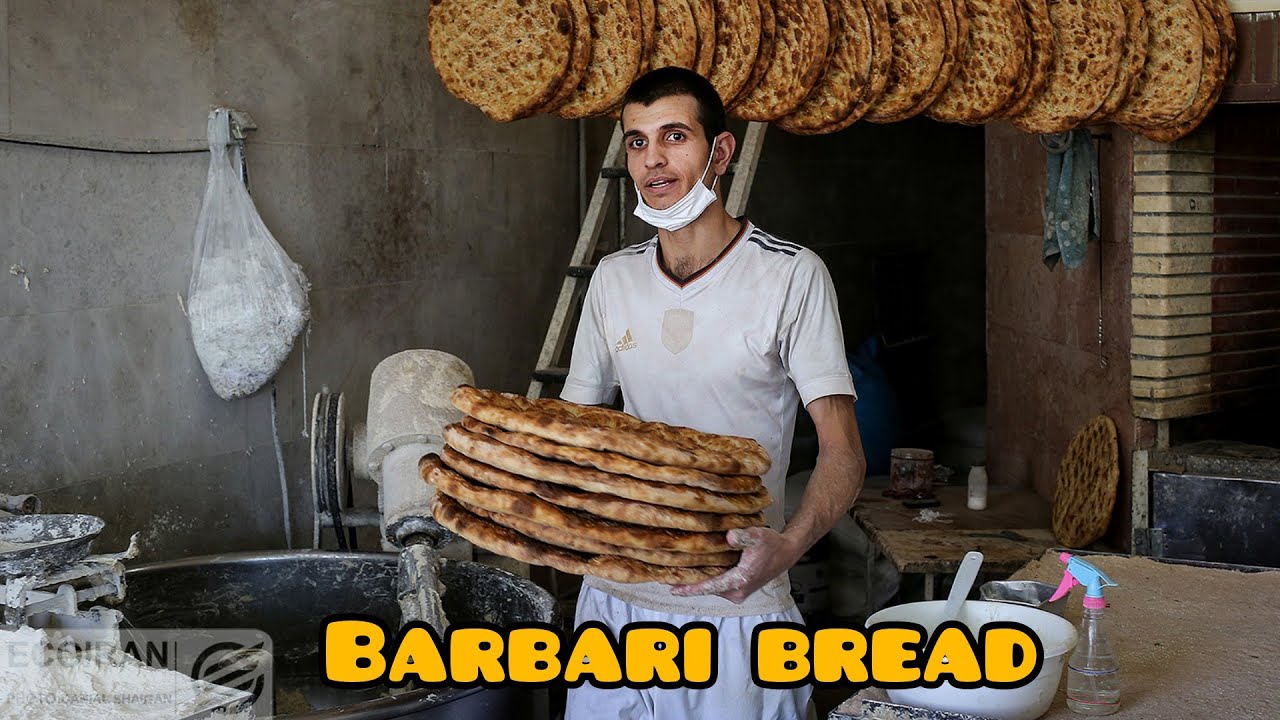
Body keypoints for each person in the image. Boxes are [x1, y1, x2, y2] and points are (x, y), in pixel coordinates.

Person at [559, 67, 867, 720]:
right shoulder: (613, 279)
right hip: (614, 605)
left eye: (674, 136)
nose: (653, 160)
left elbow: (843, 454)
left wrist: (787, 547)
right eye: (637, 141)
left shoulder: (790, 276)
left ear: (720, 152)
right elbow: (576, 434)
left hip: (736, 605)